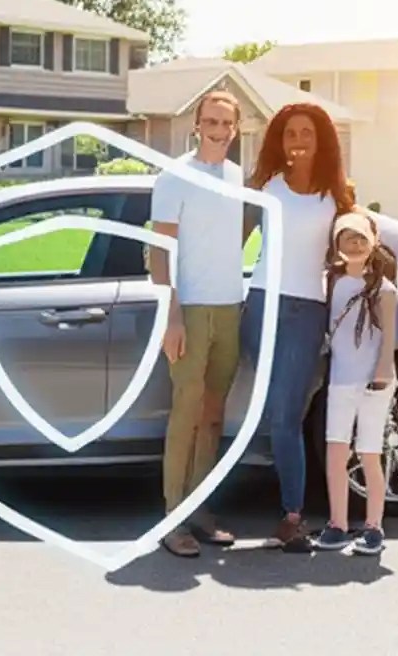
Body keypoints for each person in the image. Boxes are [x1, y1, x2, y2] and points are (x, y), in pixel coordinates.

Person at [240, 103, 354, 553]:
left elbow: (355, 250)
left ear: (321, 139)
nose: (299, 141)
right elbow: (233, 242)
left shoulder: (337, 195)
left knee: (284, 417)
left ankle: (292, 517)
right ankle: (208, 505)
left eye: (307, 133)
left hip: (308, 312)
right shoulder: (263, 187)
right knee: (265, 414)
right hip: (262, 306)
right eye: (290, 134)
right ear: (279, 141)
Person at [149, 90, 248, 558]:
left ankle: (200, 509)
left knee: (212, 416)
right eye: (211, 120)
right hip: (188, 310)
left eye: (227, 122)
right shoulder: (174, 177)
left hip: (231, 307)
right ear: (197, 124)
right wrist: (172, 314)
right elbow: (160, 251)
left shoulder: (235, 176)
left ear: (236, 128)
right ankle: (173, 518)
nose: (219, 129)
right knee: (185, 416)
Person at [315, 208, 398, 555]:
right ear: (336, 245)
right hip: (340, 379)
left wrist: (382, 370)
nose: (355, 243)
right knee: (336, 451)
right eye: (347, 238)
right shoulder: (330, 283)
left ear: (373, 243)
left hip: (372, 380)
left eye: (361, 237)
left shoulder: (382, 288)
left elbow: (389, 336)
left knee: (368, 452)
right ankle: (338, 523)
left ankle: (373, 525)